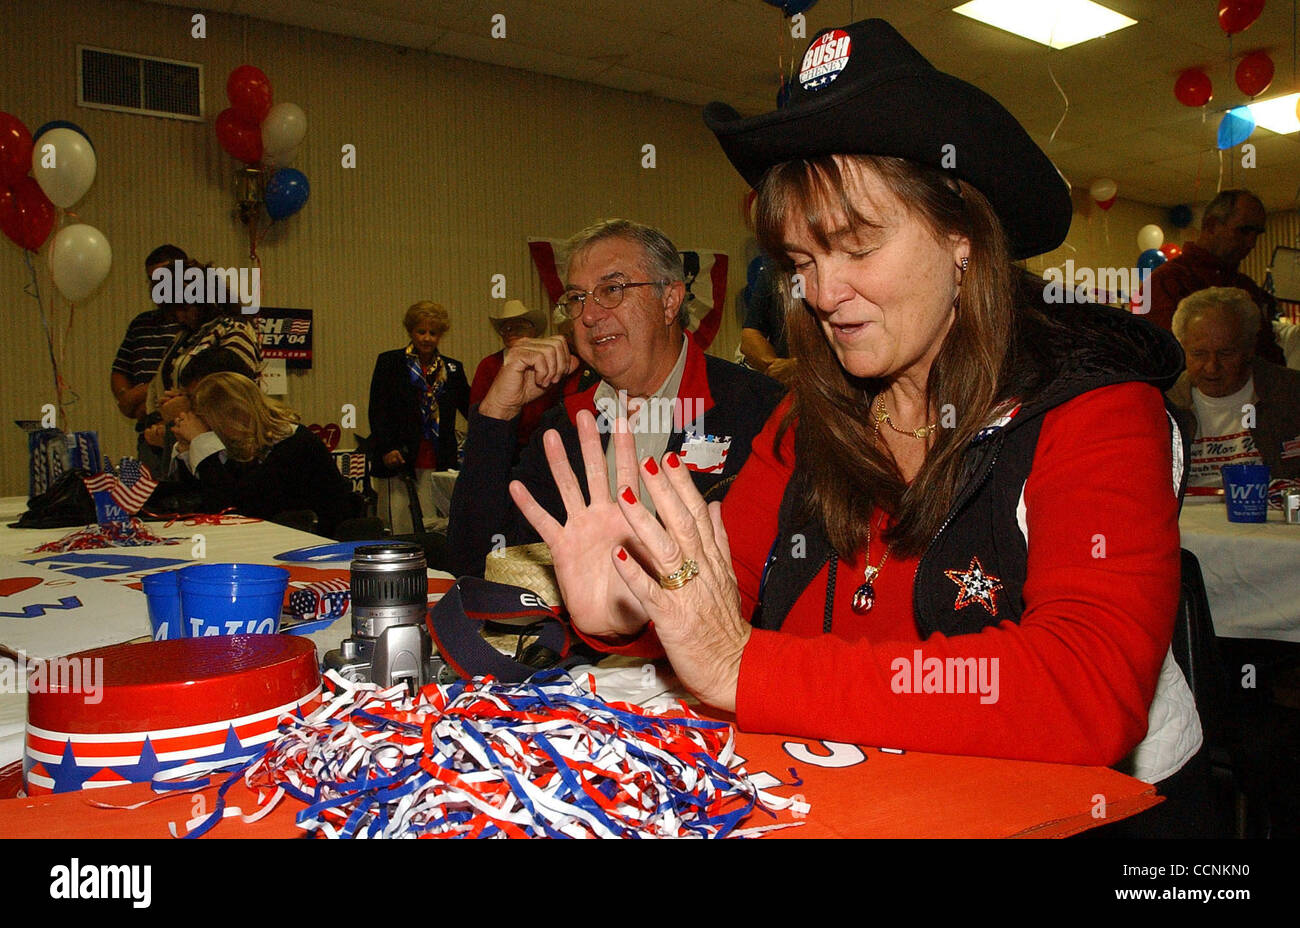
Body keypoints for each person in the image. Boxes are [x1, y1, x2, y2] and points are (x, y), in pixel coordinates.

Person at [513, 19, 1201, 815]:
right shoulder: (803, 423)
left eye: (858, 247)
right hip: (854, 804)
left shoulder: (1096, 407)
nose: (824, 294)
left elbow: (1085, 685)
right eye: (803, 264)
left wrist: (749, 671)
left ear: (961, 237)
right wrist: (629, 608)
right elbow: (717, 601)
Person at [447, 219, 783, 577]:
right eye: (577, 298)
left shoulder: (760, 410)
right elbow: (477, 562)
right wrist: (497, 414)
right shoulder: (567, 427)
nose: (589, 315)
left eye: (612, 290)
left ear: (669, 300)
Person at [170, 372, 360, 536]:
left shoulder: (293, 444)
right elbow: (198, 503)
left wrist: (202, 443)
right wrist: (188, 450)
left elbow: (234, 509)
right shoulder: (243, 447)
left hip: (316, 542)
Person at [1166, 287, 1300, 486]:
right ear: (1182, 348)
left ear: (1249, 348)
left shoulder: (1290, 394)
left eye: (1226, 353)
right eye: (1199, 354)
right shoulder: (1165, 403)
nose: (1212, 367)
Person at [141, 259, 263, 461]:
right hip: (183, 437)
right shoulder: (184, 338)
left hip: (224, 444)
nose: (179, 316)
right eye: (172, 310)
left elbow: (235, 392)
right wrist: (163, 420)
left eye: (183, 307)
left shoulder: (235, 329)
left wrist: (186, 405)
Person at [1145, 189, 1283, 364]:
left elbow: (1269, 355)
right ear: (1211, 225)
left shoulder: (1246, 287)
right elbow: (1162, 359)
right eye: (1244, 231)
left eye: (1256, 234)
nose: (1252, 243)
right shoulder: (1166, 281)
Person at [368, 301, 470, 534]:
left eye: (433, 333)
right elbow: (378, 409)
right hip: (399, 457)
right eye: (421, 331)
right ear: (410, 331)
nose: (426, 338)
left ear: (441, 335)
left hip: (439, 458)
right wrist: (386, 448)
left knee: (435, 524)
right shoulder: (390, 362)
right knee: (400, 525)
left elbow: (470, 407)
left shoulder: (452, 368)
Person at [111, 244, 188, 474]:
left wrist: (141, 393)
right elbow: (119, 370)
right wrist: (128, 400)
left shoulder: (192, 324)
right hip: (147, 430)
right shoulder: (141, 323)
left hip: (182, 431)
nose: (156, 288)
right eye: (151, 281)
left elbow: (187, 379)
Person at [469, 299, 558, 453]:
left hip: (542, 445)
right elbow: (476, 411)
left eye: (520, 327)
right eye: (507, 328)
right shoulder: (489, 365)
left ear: (533, 331)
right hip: (499, 446)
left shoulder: (549, 361)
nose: (513, 332)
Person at [739, 258, 796, 383]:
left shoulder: (835, 268)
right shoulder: (774, 270)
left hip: (833, 388)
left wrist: (799, 367)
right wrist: (777, 368)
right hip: (785, 389)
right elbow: (749, 335)